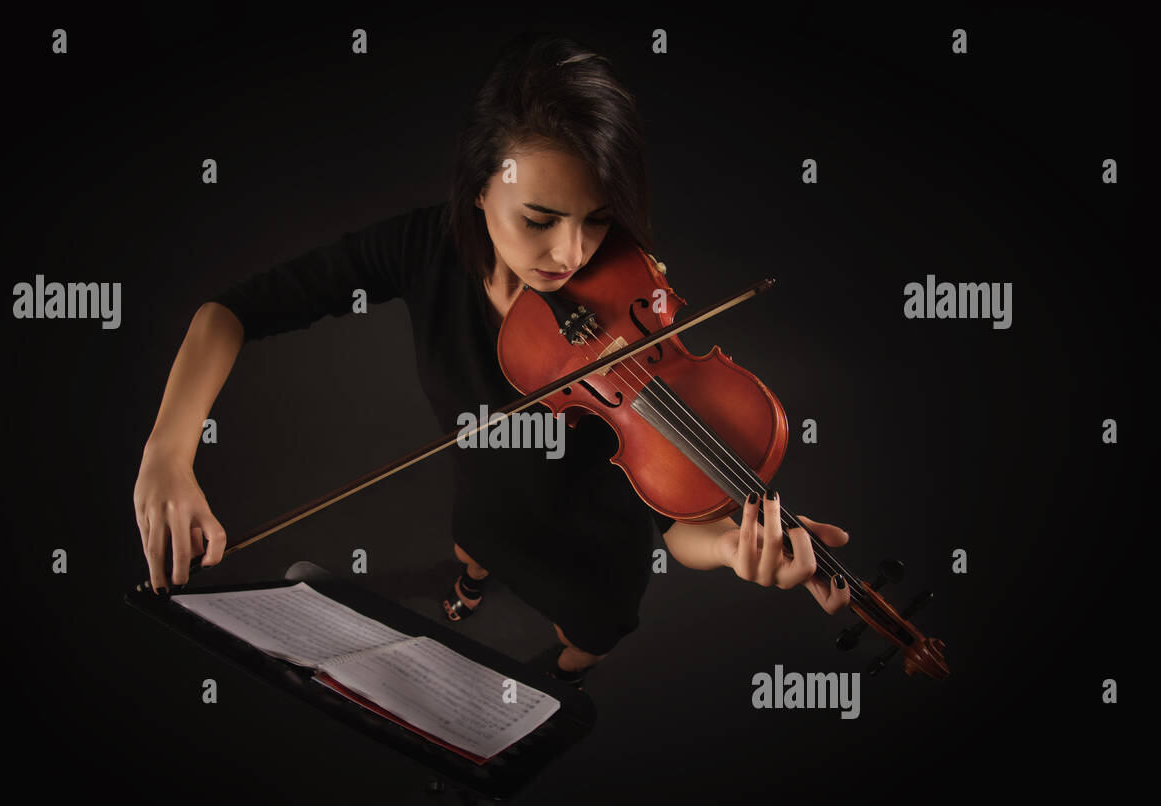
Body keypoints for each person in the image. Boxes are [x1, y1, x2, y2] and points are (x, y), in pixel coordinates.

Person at [133, 32, 852, 687]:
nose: (571, 255)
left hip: (590, 561)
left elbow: (675, 518)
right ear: (479, 188)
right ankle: (470, 583)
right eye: (539, 220)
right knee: (472, 548)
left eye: (597, 220)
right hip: (484, 507)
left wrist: (732, 548)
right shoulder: (423, 249)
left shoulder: (629, 303)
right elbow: (230, 312)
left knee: (580, 645)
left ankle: (559, 670)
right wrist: (169, 447)